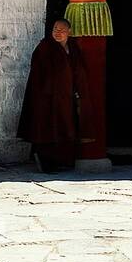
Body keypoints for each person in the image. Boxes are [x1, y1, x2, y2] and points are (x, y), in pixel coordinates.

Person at [17, 19, 95, 173]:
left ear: (69, 32)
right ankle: (45, 162)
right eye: (55, 30)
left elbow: (78, 71)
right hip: (46, 97)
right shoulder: (44, 48)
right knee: (46, 129)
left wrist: (79, 91)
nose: (57, 33)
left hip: (66, 97)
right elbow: (39, 74)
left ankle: (61, 161)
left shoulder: (73, 48)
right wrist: (48, 92)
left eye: (61, 30)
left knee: (64, 127)